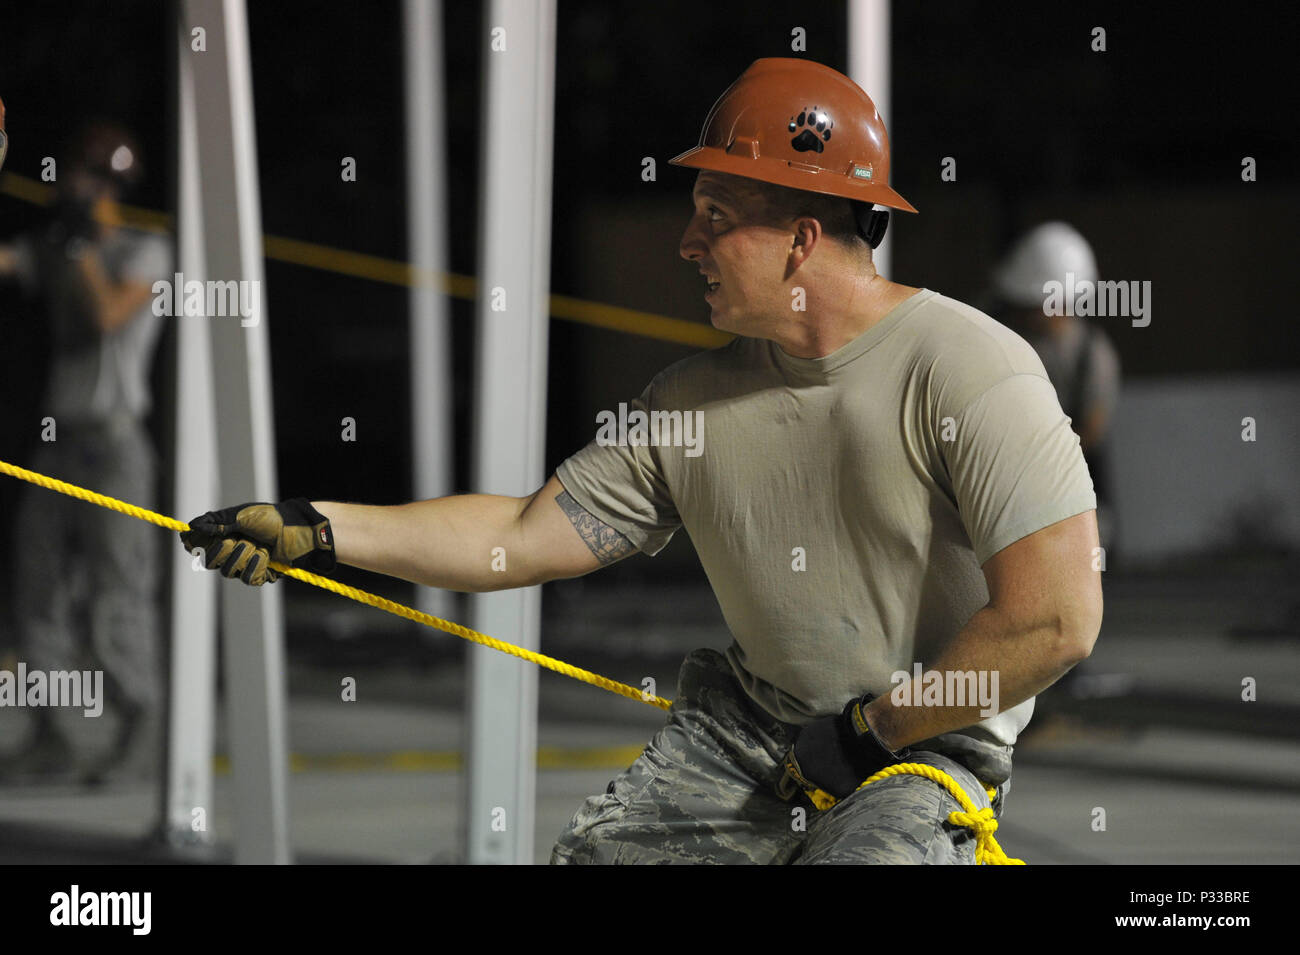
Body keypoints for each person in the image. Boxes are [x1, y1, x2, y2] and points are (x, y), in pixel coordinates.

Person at [180, 58, 1102, 864]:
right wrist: (319, 527)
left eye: (716, 216)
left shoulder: (969, 368)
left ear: (802, 239)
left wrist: (874, 732)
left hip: (922, 748)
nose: (687, 243)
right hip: (752, 739)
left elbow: (1055, 619)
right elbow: (517, 534)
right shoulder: (686, 407)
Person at [0, 123, 170, 785]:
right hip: (58, 438)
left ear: (113, 188)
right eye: (73, 173)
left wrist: (80, 249)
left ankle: (143, 728)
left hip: (116, 441)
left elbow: (106, 316)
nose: (73, 185)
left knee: (116, 595)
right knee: (37, 586)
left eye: (88, 177)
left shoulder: (144, 248)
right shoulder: (54, 246)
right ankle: (54, 732)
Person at [991, 222, 1122, 559]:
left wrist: (1037, 460)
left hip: (1063, 492)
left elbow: (1092, 429)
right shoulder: (1000, 338)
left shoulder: (1091, 352)